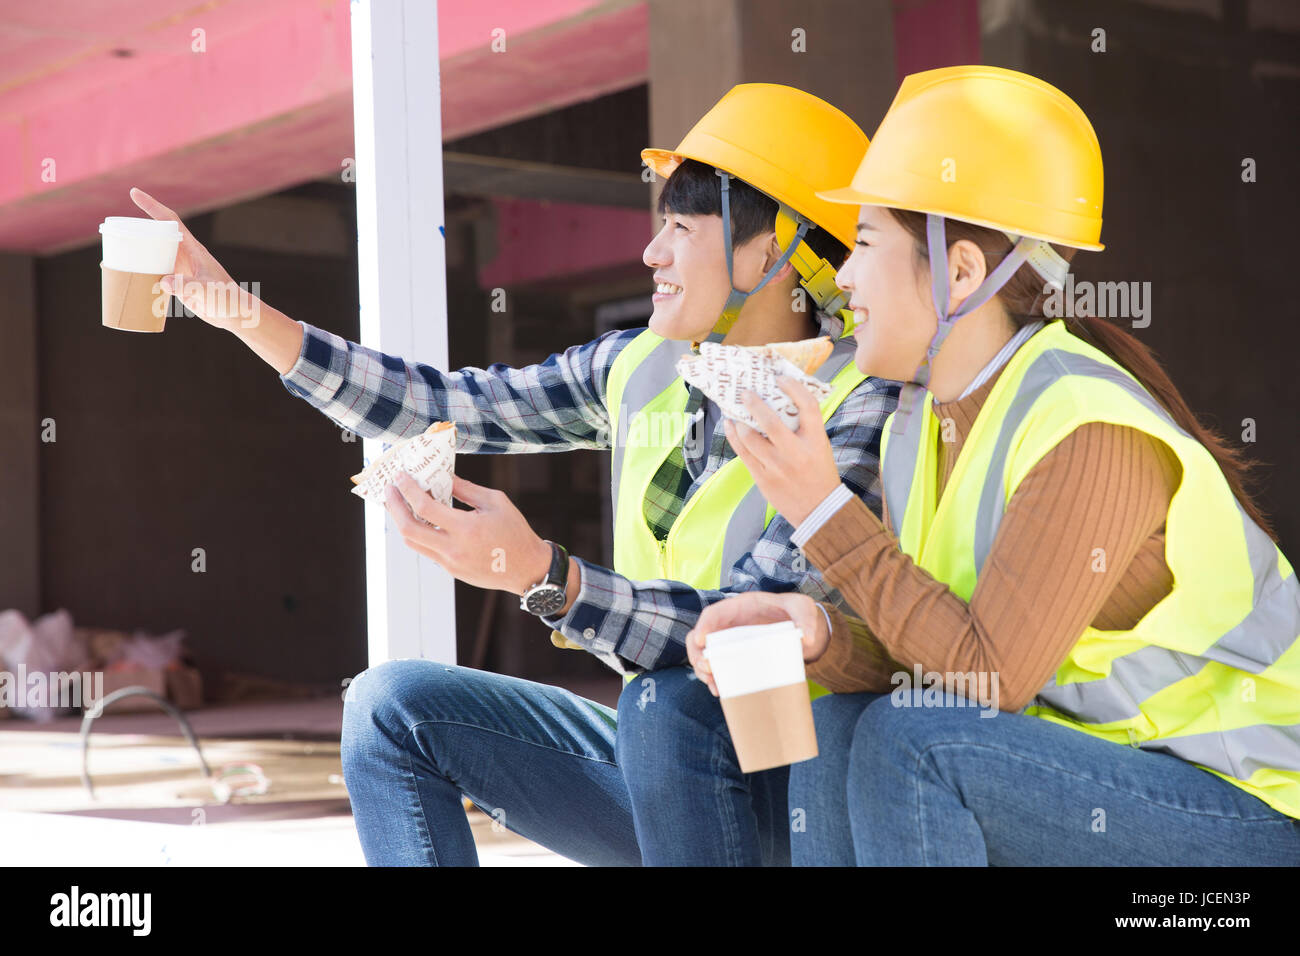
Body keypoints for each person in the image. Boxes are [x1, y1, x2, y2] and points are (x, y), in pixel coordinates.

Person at [129, 82, 900, 866]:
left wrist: (545, 575)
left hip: (793, 796)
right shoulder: (638, 369)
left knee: (673, 701)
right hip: (658, 761)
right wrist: (238, 312)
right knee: (389, 707)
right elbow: (444, 404)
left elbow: (745, 626)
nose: (651, 252)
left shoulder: (863, 403)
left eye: (679, 226)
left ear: (769, 254)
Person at [682, 65, 1300, 866]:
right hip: (1110, 781)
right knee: (842, 726)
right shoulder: (922, 422)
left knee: (914, 741)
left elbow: (988, 678)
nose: (843, 276)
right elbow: (942, 657)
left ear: (961, 273)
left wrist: (822, 510)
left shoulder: (1085, 424)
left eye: (866, 244)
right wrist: (822, 634)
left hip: (1250, 814)